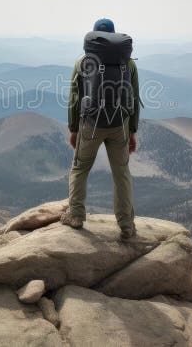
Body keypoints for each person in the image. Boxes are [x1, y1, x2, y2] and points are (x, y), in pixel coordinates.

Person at [61, 18, 140, 240]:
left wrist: (74, 128)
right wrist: (132, 131)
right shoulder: (128, 63)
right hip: (119, 125)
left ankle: (76, 215)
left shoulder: (83, 62)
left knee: (80, 168)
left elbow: (74, 99)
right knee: (121, 174)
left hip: (91, 125)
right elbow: (134, 98)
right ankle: (126, 225)